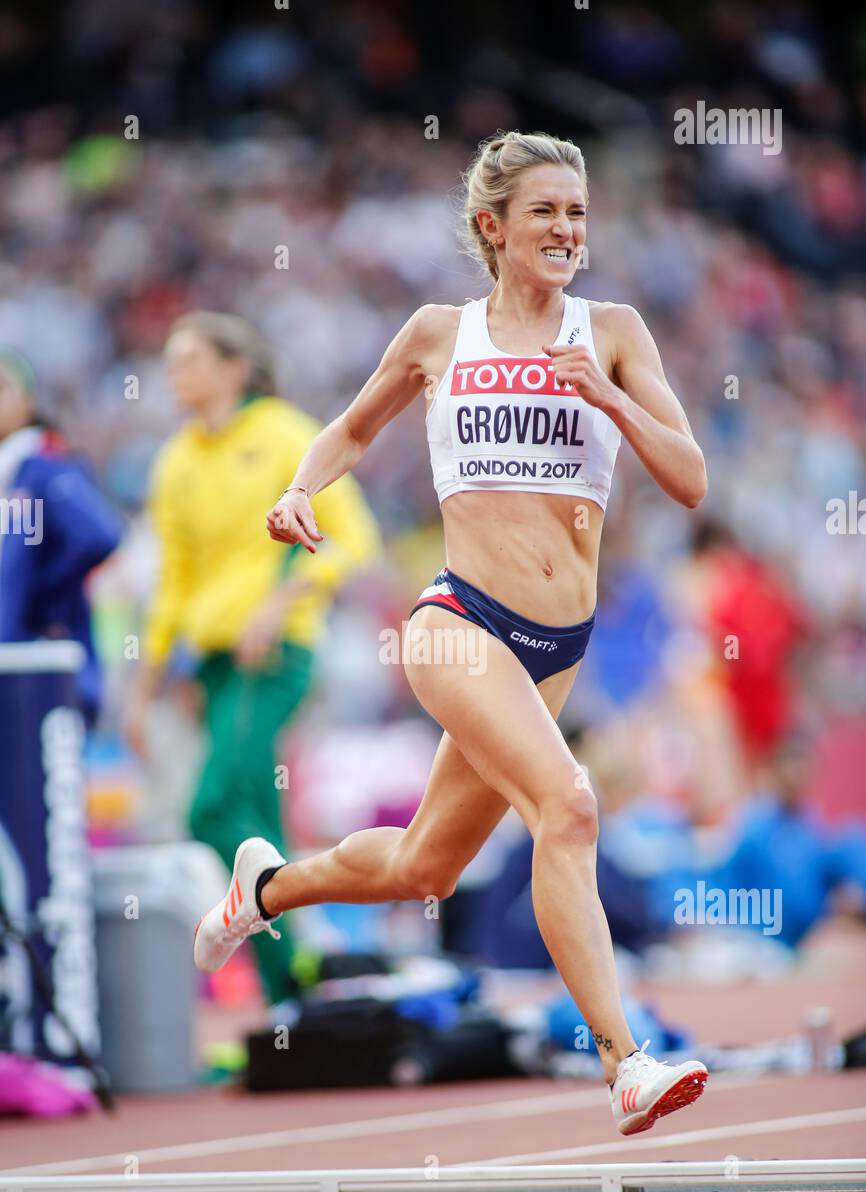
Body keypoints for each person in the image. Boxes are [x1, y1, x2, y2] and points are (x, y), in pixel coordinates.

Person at [194, 132, 710, 1135]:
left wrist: (605, 395)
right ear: (492, 226)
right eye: (543, 211)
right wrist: (299, 490)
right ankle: (625, 1060)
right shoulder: (440, 333)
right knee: (567, 806)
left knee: (426, 867)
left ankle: (264, 887)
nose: (565, 229)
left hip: (557, 644)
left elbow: (689, 478)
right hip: (457, 622)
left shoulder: (613, 332)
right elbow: (351, 428)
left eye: (576, 212)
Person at [126, 312, 381, 1005]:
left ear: (234, 368)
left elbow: (355, 538)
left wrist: (281, 601)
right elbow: (173, 583)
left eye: (190, 359)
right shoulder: (176, 461)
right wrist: (142, 688)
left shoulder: (286, 434)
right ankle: (292, 998)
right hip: (212, 666)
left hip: (271, 654)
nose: (174, 374)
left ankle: (303, 946)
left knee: (211, 809)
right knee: (257, 818)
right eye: (170, 362)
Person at [0, 349, 122, 726]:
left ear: (30, 401)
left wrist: (41, 599)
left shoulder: (44, 468)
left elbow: (99, 535)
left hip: (40, 668)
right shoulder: (11, 475)